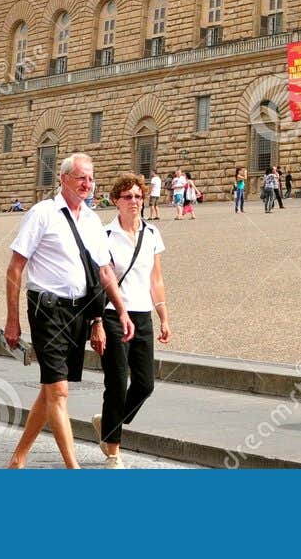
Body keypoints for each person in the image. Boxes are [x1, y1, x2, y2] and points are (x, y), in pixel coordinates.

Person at [3, 153, 133, 469]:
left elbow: (103, 273)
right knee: (59, 391)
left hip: (78, 314)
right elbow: (15, 267)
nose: (87, 184)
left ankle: (18, 460)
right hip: (47, 311)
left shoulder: (91, 221)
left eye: (91, 178)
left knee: (50, 390)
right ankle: (73, 470)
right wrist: (12, 318)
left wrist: (120, 312)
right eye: (81, 178)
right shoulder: (41, 214)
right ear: (63, 179)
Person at [91, 174, 170, 468]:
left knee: (145, 384)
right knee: (116, 380)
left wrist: (163, 316)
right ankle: (113, 453)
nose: (134, 202)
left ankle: (109, 423)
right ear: (116, 201)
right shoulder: (105, 235)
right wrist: (100, 320)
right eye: (128, 197)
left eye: (138, 196)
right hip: (113, 314)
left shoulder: (152, 234)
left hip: (143, 313)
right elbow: (104, 280)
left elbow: (156, 279)